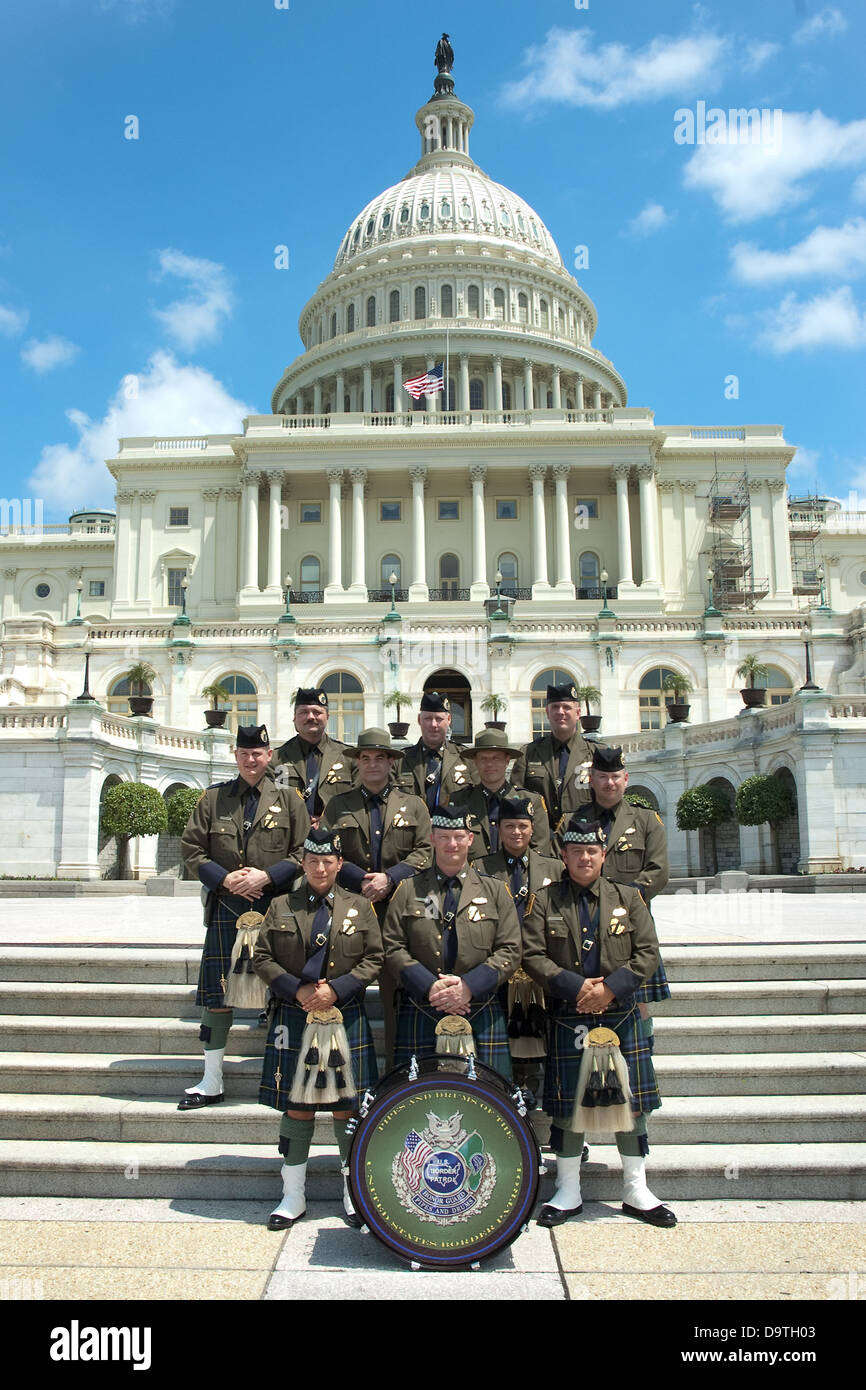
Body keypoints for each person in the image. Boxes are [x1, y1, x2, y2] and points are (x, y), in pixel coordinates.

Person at [522, 816, 675, 1228]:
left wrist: (609, 990)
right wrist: (576, 987)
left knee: (631, 1101)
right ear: (564, 856)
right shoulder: (545, 900)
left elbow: (647, 952)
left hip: (620, 1013)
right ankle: (567, 1188)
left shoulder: (631, 897)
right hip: (570, 1013)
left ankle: (635, 1186)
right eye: (576, 852)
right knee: (570, 1103)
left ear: (603, 855)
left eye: (591, 851)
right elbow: (533, 955)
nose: (584, 858)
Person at [253, 827, 382, 1230]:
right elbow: (262, 956)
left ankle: (351, 1191)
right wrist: (298, 990)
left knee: (347, 1105)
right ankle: (292, 1194)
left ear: (340, 865)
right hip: (296, 1014)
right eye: (313, 861)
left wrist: (336, 990)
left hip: (345, 1013)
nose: (321, 868)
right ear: (303, 863)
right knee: (297, 1105)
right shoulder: (281, 905)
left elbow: (375, 957)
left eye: (328, 862)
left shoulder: (360, 906)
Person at [179, 723, 309, 1110]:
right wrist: (226, 880)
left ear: (270, 756)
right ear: (235, 755)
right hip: (229, 908)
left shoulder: (290, 799)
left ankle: (288, 1078)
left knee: (286, 992)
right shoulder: (212, 798)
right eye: (244, 753)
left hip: (277, 909)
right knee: (219, 995)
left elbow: (304, 851)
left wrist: (267, 876)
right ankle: (211, 1078)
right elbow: (192, 849)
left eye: (258, 753)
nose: (251, 760)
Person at [382, 803, 521, 1079]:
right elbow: (392, 945)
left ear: (470, 839)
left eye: (458, 836)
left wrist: (468, 987)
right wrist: (431, 987)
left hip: (478, 1006)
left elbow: (511, 949)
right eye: (444, 837)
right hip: (423, 1005)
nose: (451, 844)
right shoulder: (408, 889)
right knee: (417, 1097)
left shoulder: (495, 890)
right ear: (432, 838)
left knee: (489, 1099)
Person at [323, 727, 433, 1067]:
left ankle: (399, 1071)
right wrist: (362, 879)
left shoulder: (413, 805)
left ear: (391, 763)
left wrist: (390, 878)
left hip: (399, 912)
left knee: (397, 994)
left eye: (379, 758)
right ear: (357, 763)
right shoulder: (338, 805)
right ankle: (347, 1071)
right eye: (365, 758)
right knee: (342, 988)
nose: (372, 764)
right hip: (351, 910)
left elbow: (426, 851)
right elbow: (325, 852)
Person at [573, 745, 671, 1053]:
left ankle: (641, 1054)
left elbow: (657, 872)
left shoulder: (646, 821)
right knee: (589, 994)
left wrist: (621, 904)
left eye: (615, 777)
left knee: (638, 1000)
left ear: (626, 779)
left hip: (632, 925)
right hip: (582, 921)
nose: (609, 783)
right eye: (602, 777)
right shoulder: (574, 821)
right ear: (591, 779)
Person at [476, 796, 562, 1100]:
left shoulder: (555, 868)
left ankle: (546, 1110)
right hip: (497, 972)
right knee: (502, 1049)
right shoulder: (480, 868)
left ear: (532, 829)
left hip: (541, 974)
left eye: (522, 826)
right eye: (509, 825)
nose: (516, 832)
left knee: (547, 1049)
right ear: (498, 828)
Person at [511, 682, 595, 840]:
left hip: (583, 841)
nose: (560, 712)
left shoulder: (594, 754)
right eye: (555, 707)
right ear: (547, 713)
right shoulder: (528, 753)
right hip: (541, 843)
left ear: (578, 713)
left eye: (566, 707)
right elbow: (517, 801)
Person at [453, 728, 551, 860]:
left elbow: (540, 852)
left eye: (496, 758)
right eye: (483, 758)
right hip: (473, 877)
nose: (489, 764)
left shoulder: (531, 802)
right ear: (475, 762)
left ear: (507, 760)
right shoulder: (460, 801)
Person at [274, 687, 357, 823]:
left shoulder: (349, 758)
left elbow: (357, 802)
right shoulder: (276, 759)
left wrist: (324, 823)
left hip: (335, 835)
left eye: (317, 712)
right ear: (294, 717)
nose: (311, 717)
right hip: (289, 837)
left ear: (328, 717)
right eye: (304, 712)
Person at [395, 691, 478, 811]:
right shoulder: (401, 761)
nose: (433, 725)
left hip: (453, 828)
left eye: (439, 719)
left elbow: (478, 802)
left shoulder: (466, 758)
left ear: (449, 719)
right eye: (428, 718)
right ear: (419, 720)